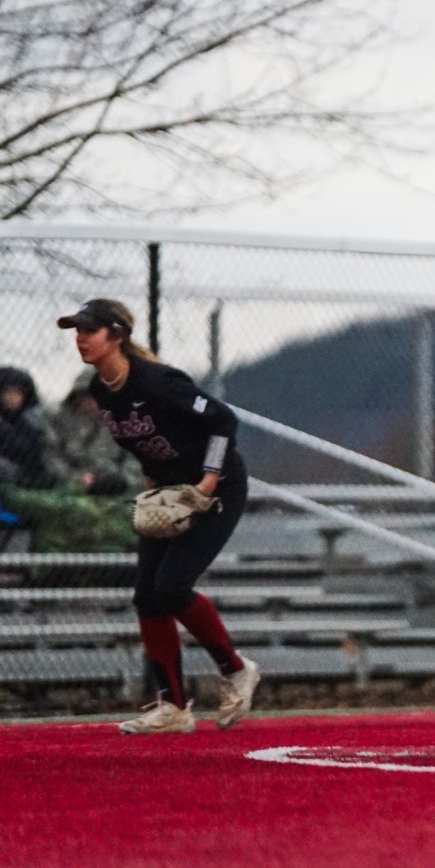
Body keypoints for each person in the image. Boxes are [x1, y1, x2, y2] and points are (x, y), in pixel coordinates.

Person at [58, 298, 261, 734]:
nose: (80, 338)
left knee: (171, 586)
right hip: (171, 490)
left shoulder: (158, 382)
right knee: (147, 596)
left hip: (216, 489)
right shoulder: (100, 389)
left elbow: (223, 421)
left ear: (116, 337)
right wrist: (154, 481)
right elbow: (140, 441)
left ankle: (237, 669)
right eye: (76, 331)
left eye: (89, 330)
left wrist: (207, 481)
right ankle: (173, 707)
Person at [0, 366, 135, 554]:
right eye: (8, 392)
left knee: (102, 508)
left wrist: (106, 481)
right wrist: (17, 474)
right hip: (4, 487)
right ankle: (50, 567)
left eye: (19, 393)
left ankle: (112, 555)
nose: (13, 398)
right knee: (78, 508)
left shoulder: (26, 426)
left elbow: (41, 458)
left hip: (41, 485)